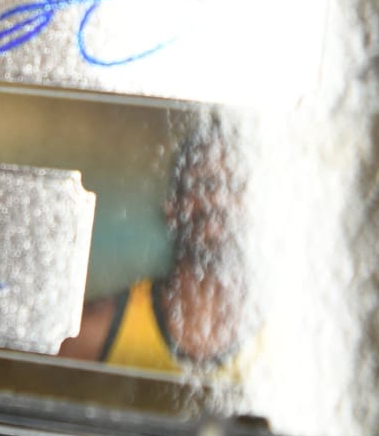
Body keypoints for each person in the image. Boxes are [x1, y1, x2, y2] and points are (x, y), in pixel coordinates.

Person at [59, 123, 252, 372]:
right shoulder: (96, 331)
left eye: (235, 187)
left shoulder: (283, 338)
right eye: (206, 185)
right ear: (172, 209)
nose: (218, 200)